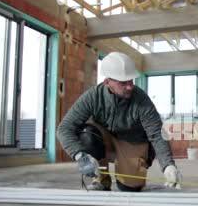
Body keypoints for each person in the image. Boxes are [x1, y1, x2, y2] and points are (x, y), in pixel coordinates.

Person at [57, 52, 182, 191]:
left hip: (132, 141)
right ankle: (101, 179)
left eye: (131, 81)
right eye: (123, 83)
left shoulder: (140, 99)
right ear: (107, 82)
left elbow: (157, 133)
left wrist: (168, 165)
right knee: (88, 135)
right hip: (105, 139)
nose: (130, 87)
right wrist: (80, 155)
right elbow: (64, 128)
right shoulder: (93, 97)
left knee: (130, 188)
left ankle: (131, 169)